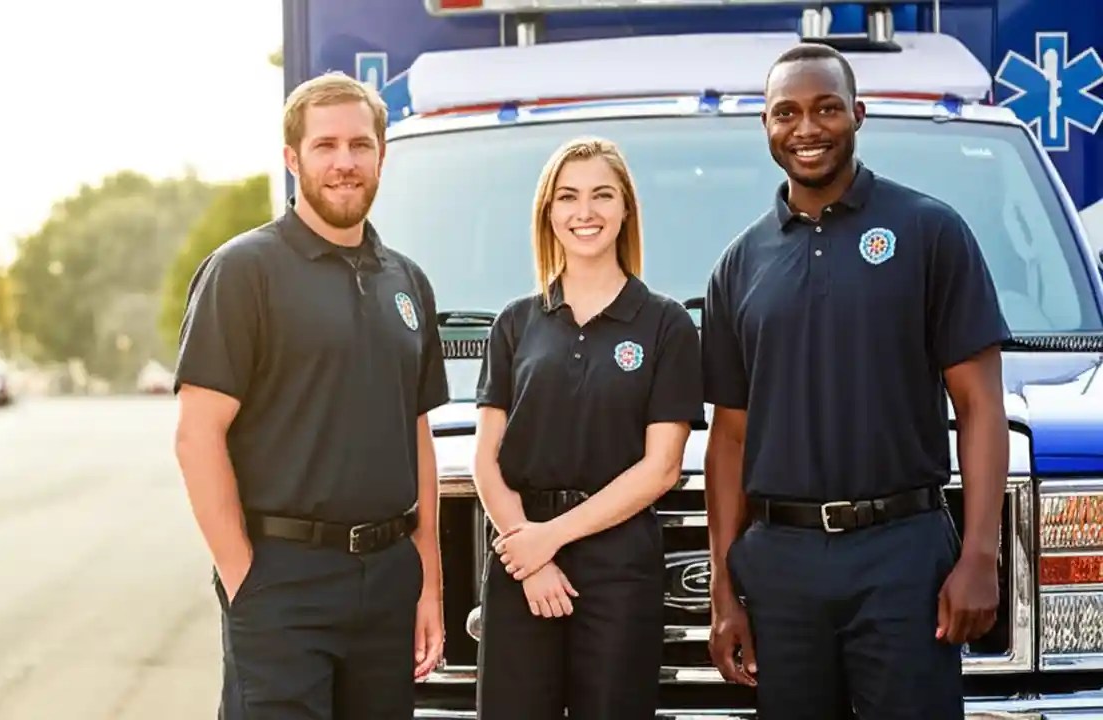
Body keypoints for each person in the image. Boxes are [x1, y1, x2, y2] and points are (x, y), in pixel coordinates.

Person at [702, 43, 1011, 719]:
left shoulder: (930, 231)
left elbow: (980, 405)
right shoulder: (738, 264)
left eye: (826, 108)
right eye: (786, 112)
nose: (806, 127)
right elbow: (728, 440)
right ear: (766, 125)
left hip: (903, 556)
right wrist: (725, 595)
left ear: (858, 115)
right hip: (780, 567)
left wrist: (981, 555)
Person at [171, 70, 450, 720]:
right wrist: (247, 580)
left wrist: (428, 578)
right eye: (325, 147)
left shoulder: (407, 282)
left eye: (361, 145)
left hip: (386, 582)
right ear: (292, 159)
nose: (345, 163)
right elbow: (197, 435)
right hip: (282, 580)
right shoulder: (243, 272)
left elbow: (417, 434)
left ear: (384, 154)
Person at [472, 136, 704, 719]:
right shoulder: (515, 323)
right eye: (568, 197)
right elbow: (485, 461)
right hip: (519, 563)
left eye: (603, 195)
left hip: (618, 566)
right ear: (548, 213)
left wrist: (551, 539)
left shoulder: (666, 325)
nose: (586, 212)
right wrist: (530, 551)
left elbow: (662, 467)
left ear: (626, 209)